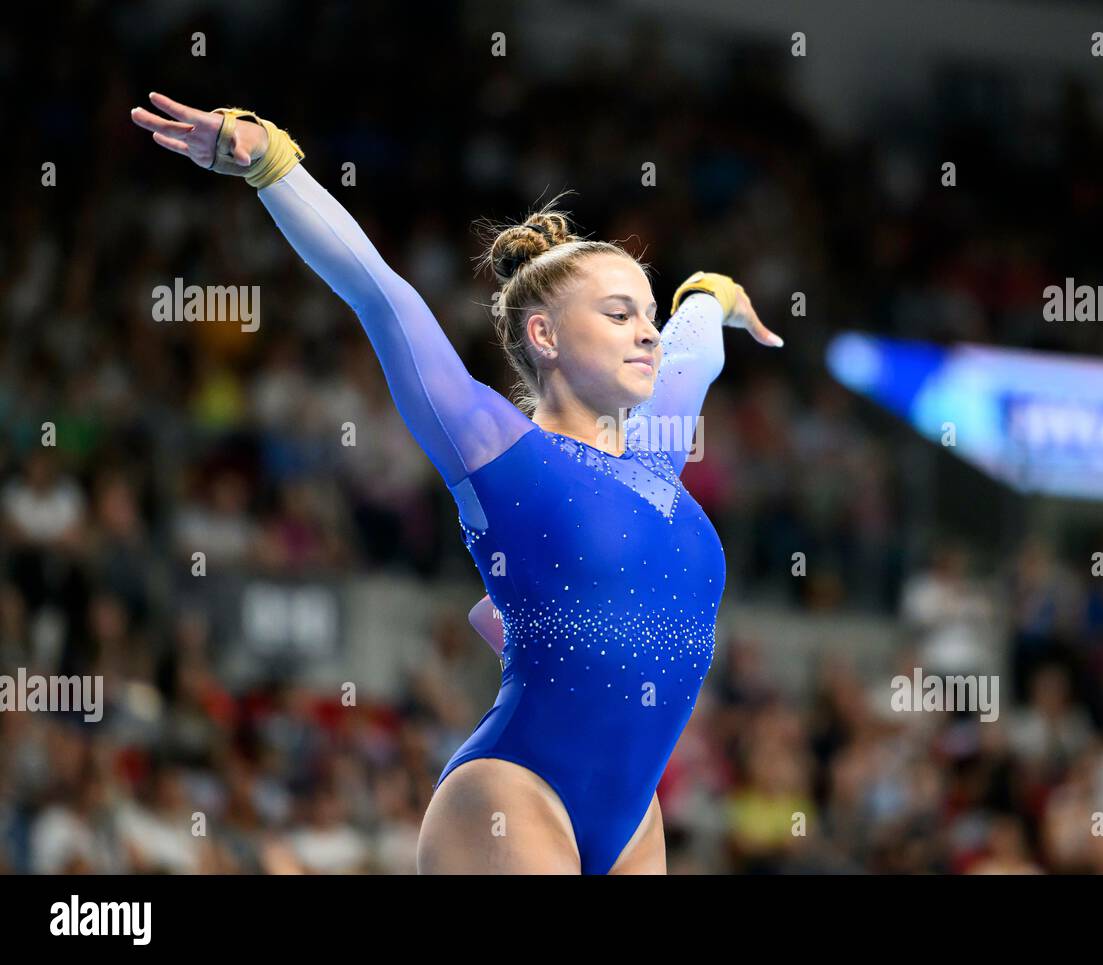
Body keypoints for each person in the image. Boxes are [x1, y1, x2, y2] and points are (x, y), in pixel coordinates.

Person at [130, 94, 782, 874]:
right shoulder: (499, 451)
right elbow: (380, 293)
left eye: (646, 312)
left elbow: (691, 350)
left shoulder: (657, 454)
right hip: (515, 792)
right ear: (542, 334)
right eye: (617, 313)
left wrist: (713, 297)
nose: (645, 329)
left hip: (635, 817)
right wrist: (270, 162)